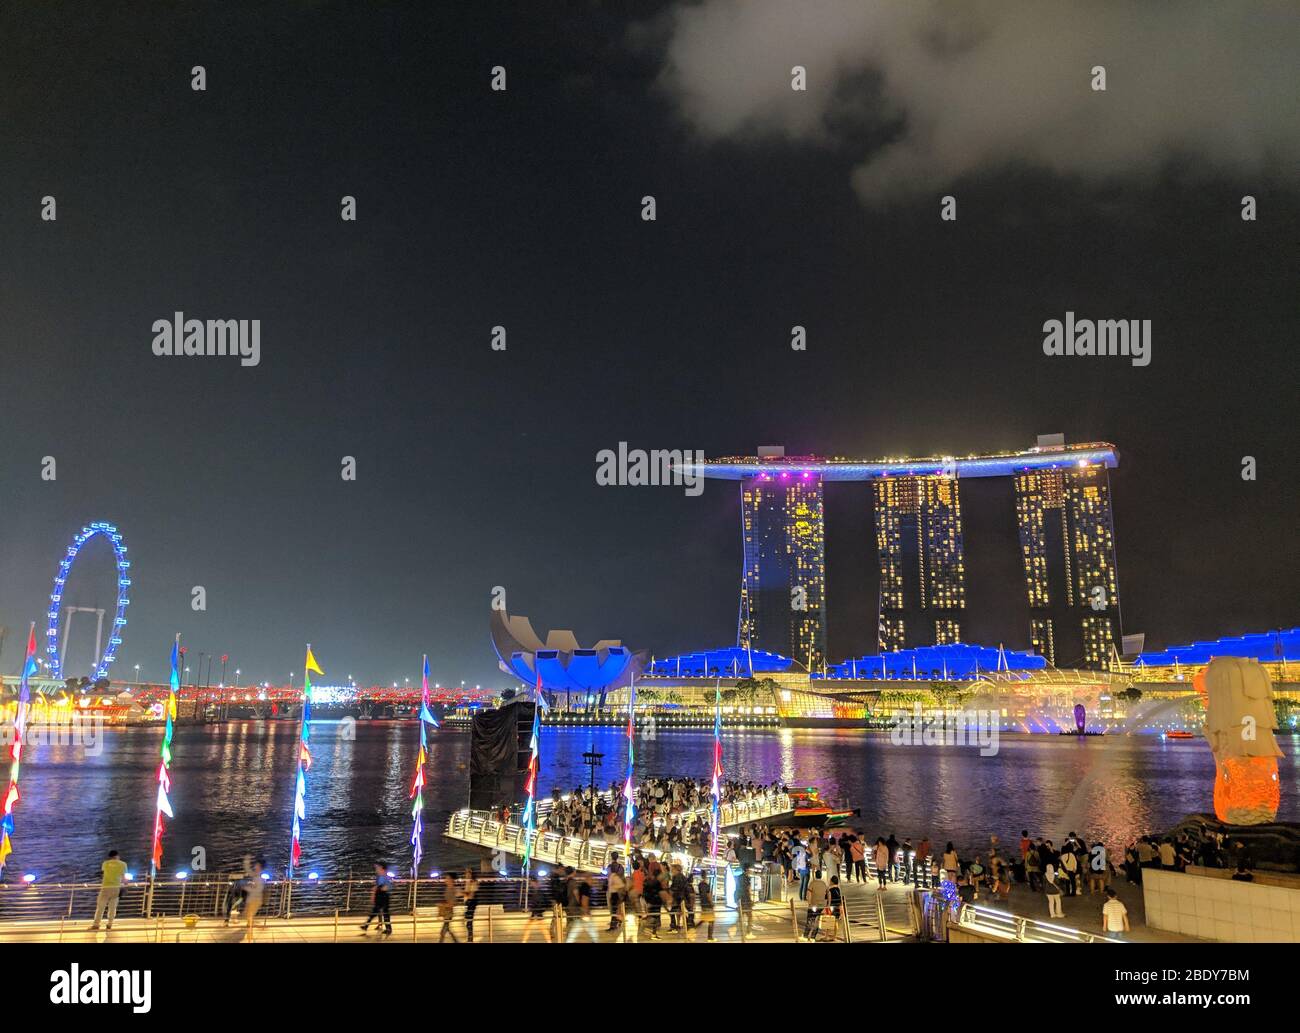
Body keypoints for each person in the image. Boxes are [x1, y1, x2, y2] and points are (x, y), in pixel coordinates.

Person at [89, 849, 128, 931]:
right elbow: (125, 878)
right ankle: (109, 924)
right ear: (117, 856)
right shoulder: (123, 864)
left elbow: (104, 874)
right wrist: (125, 885)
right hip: (116, 888)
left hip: (105, 887)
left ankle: (96, 924)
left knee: (100, 907)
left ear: (110, 857)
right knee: (113, 907)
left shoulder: (105, 863)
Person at [360, 861, 394, 937]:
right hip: (382, 896)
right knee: (382, 912)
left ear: (382, 868)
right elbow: (382, 886)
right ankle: (388, 929)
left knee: (378, 912)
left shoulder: (383, 876)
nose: (376, 870)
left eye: (377, 868)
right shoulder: (381, 876)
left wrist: (377, 891)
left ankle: (366, 926)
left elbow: (386, 887)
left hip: (383, 896)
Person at [242, 856, 266, 941]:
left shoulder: (260, 879)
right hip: (251, 900)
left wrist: (246, 888)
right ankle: (250, 937)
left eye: (257, 866)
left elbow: (257, 890)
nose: (255, 867)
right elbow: (248, 870)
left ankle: (250, 939)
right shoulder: (255, 875)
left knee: (249, 918)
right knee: (248, 918)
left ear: (260, 868)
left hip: (254, 901)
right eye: (255, 865)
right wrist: (247, 860)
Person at [803, 869, 828, 940]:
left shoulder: (812, 883)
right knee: (817, 921)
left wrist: (809, 903)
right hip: (821, 906)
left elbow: (809, 894)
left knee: (810, 920)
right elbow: (827, 894)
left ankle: (806, 935)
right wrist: (826, 904)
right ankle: (813, 936)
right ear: (821, 876)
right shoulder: (824, 884)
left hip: (813, 905)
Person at [438, 872, 460, 943]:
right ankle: (456, 941)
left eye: (447, 878)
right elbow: (445, 900)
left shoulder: (453, 889)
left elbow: (453, 903)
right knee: (447, 929)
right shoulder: (447, 888)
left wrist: (443, 905)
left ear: (451, 880)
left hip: (449, 913)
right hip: (445, 912)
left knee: (443, 931)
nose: (445, 879)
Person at [696, 876, 716, 941]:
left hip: (703, 904)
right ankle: (710, 938)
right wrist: (712, 903)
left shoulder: (700, 885)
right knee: (711, 921)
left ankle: (692, 929)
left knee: (703, 919)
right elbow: (708, 894)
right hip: (708, 905)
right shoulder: (706, 885)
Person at [735, 869, 754, 939]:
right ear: (747, 870)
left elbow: (737, 889)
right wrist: (751, 900)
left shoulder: (739, 877)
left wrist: (737, 900)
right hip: (746, 900)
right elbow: (748, 890)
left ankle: (740, 931)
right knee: (750, 916)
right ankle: (748, 932)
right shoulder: (747, 879)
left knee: (741, 916)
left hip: (740, 900)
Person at [462, 868, 480, 941]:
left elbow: (471, 895)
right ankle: (470, 937)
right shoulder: (467, 881)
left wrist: (461, 893)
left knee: (469, 922)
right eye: (466, 872)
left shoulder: (473, 882)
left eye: (468, 873)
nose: (466, 874)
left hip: (471, 903)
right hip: (468, 903)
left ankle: (470, 938)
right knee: (468, 921)